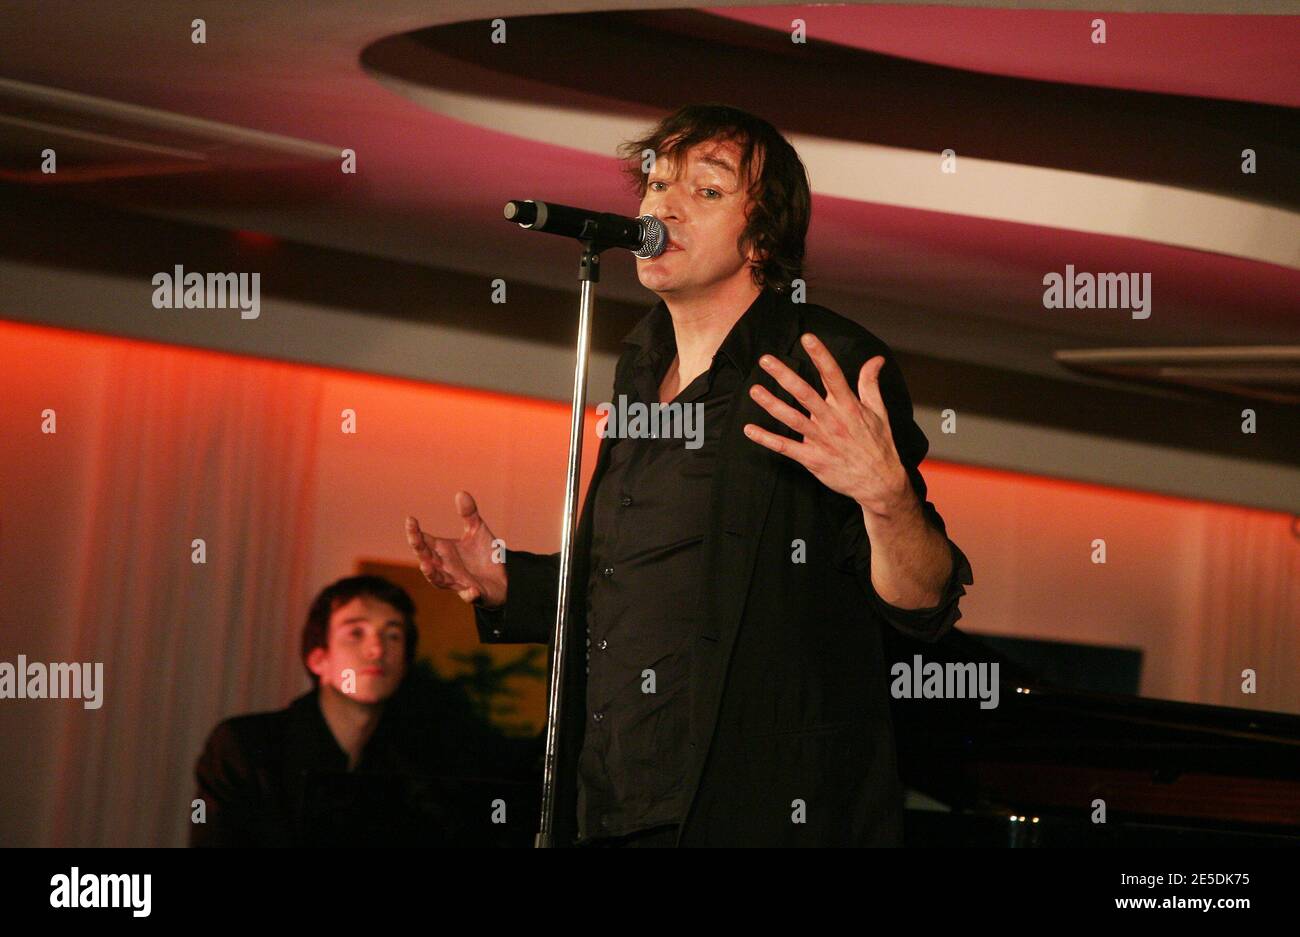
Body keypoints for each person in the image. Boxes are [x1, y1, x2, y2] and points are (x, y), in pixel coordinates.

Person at [406, 103, 973, 847]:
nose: (663, 205)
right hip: (612, 805)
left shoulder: (818, 361)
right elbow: (642, 585)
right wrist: (513, 579)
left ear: (762, 242)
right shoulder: (639, 367)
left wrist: (886, 494)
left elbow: (924, 598)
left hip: (754, 811)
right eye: (656, 183)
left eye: (705, 191)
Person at [190, 575, 534, 846]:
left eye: (393, 635)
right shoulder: (246, 748)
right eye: (356, 632)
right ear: (318, 658)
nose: (376, 649)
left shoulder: (417, 764)